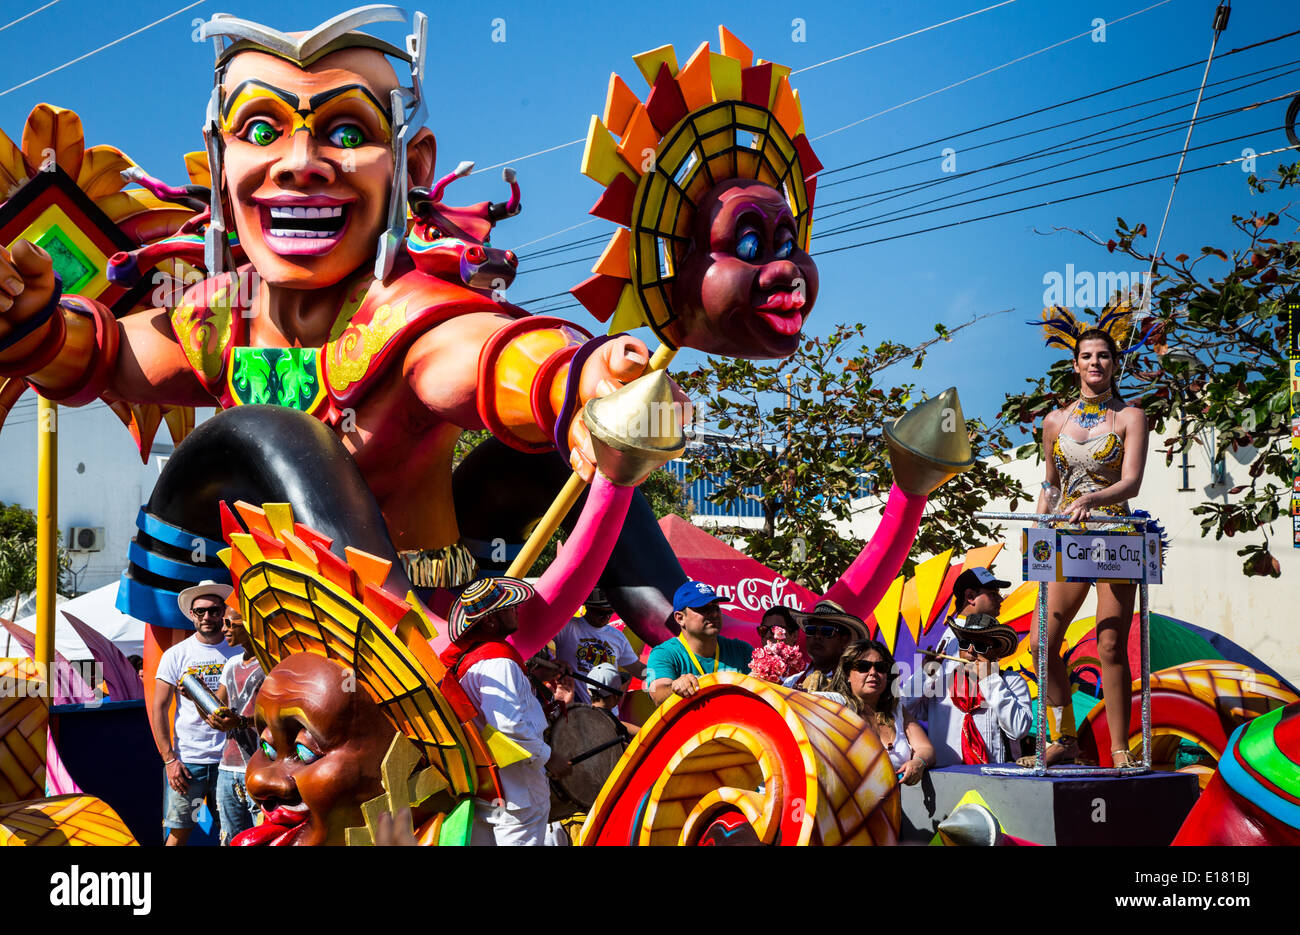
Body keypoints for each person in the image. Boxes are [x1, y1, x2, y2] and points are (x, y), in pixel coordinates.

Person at [1031, 305, 1150, 767]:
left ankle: (1120, 749)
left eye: (1104, 355)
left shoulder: (1130, 416)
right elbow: (1051, 484)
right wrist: (1041, 519)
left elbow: (1132, 482)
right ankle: (1063, 737)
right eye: (1087, 355)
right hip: (1067, 540)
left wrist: (1093, 501)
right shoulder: (1054, 422)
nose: (1096, 362)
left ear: (1114, 364)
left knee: (1110, 645)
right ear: (1075, 363)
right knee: (1043, 643)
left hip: (1115, 536)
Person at [438, 577, 573, 846]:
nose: (517, 609)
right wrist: (549, 757)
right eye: (508, 607)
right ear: (490, 622)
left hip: (489, 788)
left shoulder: (469, 661)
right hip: (518, 790)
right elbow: (508, 727)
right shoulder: (500, 663)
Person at [149, 580, 240, 845]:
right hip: (189, 762)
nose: (208, 617)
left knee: (233, 833)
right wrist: (169, 760)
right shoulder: (176, 655)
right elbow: (159, 708)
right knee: (179, 831)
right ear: (192, 615)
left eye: (214, 610)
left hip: (231, 761)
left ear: (223, 612)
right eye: (201, 611)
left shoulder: (238, 650)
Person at [903, 613, 1032, 767]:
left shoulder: (1011, 682)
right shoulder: (941, 683)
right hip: (946, 777)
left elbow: (1018, 730)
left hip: (996, 777)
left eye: (980, 646)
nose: (970, 651)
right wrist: (924, 674)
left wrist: (990, 680)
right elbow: (904, 708)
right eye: (964, 643)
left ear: (996, 652)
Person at [827, 640, 933, 785]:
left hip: (894, 804)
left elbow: (926, 748)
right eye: (863, 667)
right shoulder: (836, 704)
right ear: (847, 675)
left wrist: (918, 762)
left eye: (880, 667)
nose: (873, 673)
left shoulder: (896, 710)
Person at [206, 608, 264, 845]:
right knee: (230, 839)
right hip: (227, 768)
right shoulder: (231, 664)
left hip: (259, 767)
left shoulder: (270, 665)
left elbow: (278, 716)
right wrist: (196, 695)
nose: (224, 629)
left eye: (230, 624)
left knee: (261, 837)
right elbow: (216, 709)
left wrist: (240, 722)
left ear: (249, 625)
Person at [645, 581, 752, 705]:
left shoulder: (741, 649)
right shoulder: (664, 654)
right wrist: (675, 687)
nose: (714, 614)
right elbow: (658, 695)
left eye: (715, 607)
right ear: (680, 618)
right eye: (704, 609)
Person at [552, 589, 645, 704]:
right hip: (574, 709)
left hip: (607, 711)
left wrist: (661, 675)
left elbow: (637, 669)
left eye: (610, 612)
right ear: (587, 607)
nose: (606, 617)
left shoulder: (618, 637)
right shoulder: (567, 627)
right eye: (600, 612)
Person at [782, 601, 869, 692]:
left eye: (827, 631)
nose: (817, 636)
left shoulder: (855, 683)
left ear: (844, 640)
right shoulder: (791, 682)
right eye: (811, 630)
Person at [933, 567, 1010, 656]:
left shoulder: (961, 631)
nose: (1000, 599)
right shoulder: (964, 636)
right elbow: (959, 670)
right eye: (993, 594)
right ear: (970, 597)